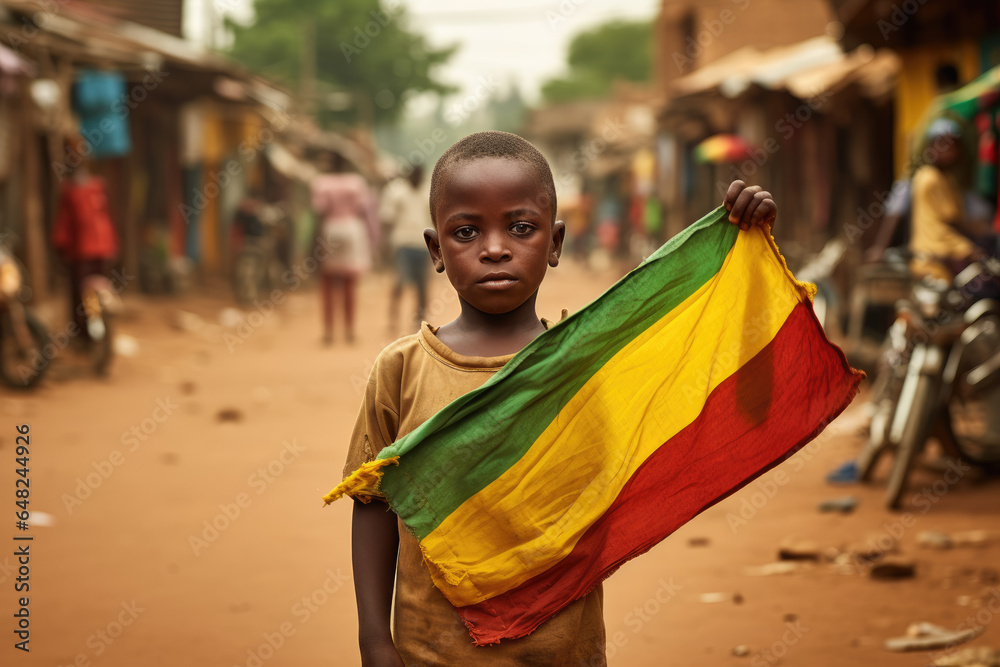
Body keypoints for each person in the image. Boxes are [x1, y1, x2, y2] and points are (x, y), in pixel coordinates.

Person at [341, 131, 776, 665]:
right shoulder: (401, 371)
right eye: (466, 231)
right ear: (436, 249)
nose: (495, 247)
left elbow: (744, 407)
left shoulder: (583, 367)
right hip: (429, 653)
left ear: (555, 242)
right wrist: (373, 639)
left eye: (520, 228)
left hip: (560, 651)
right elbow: (374, 504)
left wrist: (743, 263)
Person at [909, 118, 996, 285]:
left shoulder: (946, 179)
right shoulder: (930, 178)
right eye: (943, 145)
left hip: (944, 250)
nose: (949, 151)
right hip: (938, 253)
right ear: (931, 147)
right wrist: (969, 249)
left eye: (953, 146)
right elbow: (949, 221)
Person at [50, 142, 119, 344]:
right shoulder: (91, 187)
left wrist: (60, 246)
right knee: (86, 293)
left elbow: (66, 223)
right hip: (89, 251)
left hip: (88, 252)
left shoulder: (85, 188)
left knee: (83, 294)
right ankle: (86, 333)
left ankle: (86, 333)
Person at [310, 153, 379, 345]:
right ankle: (349, 331)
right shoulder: (356, 182)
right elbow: (364, 210)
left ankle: (329, 332)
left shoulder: (321, 182)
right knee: (350, 281)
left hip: (330, 229)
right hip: (352, 229)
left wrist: (314, 244)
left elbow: (319, 211)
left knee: (328, 281)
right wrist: (372, 239)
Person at [379, 165, 432, 333]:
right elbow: (387, 219)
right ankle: (393, 320)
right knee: (399, 282)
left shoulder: (429, 192)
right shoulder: (397, 192)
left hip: (423, 244)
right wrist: (385, 243)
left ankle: (419, 321)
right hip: (402, 243)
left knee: (422, 284)